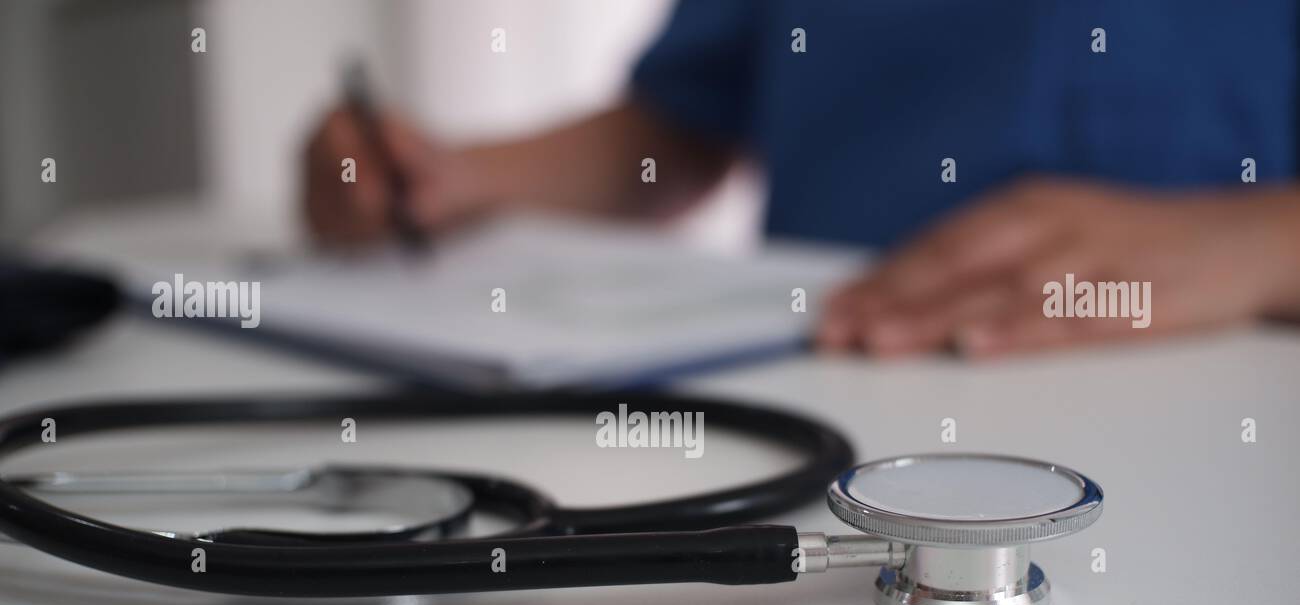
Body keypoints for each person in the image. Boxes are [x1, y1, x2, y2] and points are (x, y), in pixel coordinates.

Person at [303, 0, 1300, 358]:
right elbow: (682, 125)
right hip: (827, 367)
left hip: (1222, 417)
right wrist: (451, 176)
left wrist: (1265, 239)